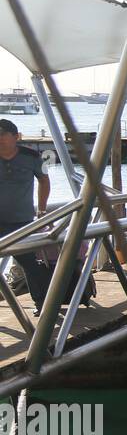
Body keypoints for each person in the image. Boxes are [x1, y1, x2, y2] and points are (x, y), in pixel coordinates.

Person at [0, 119, 52, 311]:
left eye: (3, 134)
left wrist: (42, 210)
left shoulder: (33, 157)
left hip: (21, 221)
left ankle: (44, 304)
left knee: (30, 264)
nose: (0, 139)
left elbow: (44, 181)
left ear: (16, 136)